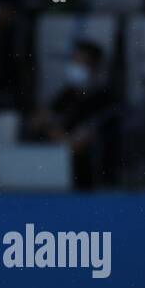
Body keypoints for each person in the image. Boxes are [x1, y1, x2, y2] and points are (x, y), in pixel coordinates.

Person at [27, 40, 119, 188]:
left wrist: (50, 128)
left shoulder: (106, 101)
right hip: (52, 174)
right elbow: (35, 121)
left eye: (81, 63)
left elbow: (75, 146)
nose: (75, 67)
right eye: (73, 62)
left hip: (88, 182)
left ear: (95, 68)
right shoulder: (67, 94)